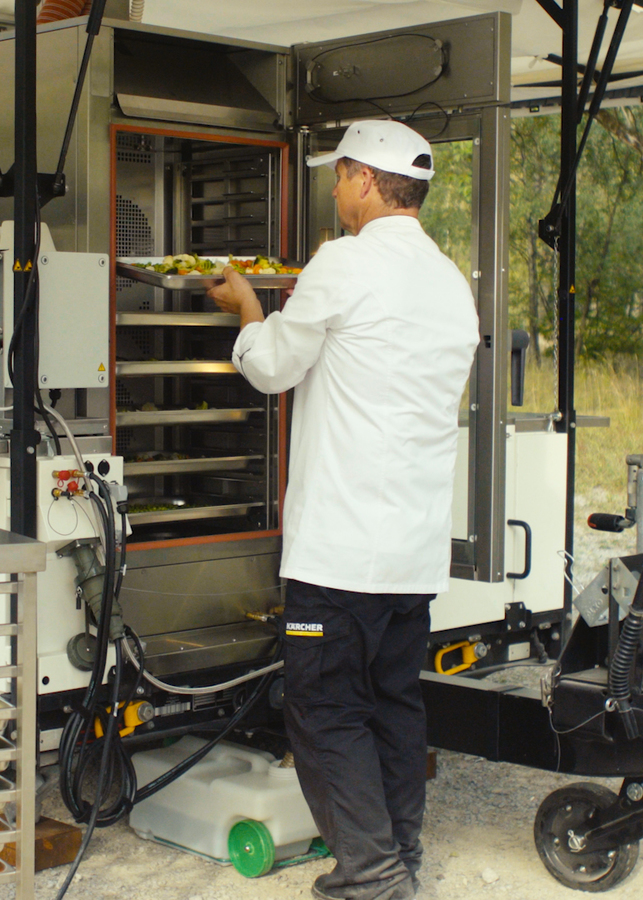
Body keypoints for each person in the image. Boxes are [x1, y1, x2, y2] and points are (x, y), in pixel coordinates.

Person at [207, 119, 479, 900]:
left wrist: (247, 306)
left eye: (337, 177)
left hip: (339, 551)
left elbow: (272, 367)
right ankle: (400, 858)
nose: (333, 191)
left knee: (327, 711)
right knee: (394, 706)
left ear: (364, 179)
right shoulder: (450, 283)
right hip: (411, 551)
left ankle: (370, 876)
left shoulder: (344, 262)